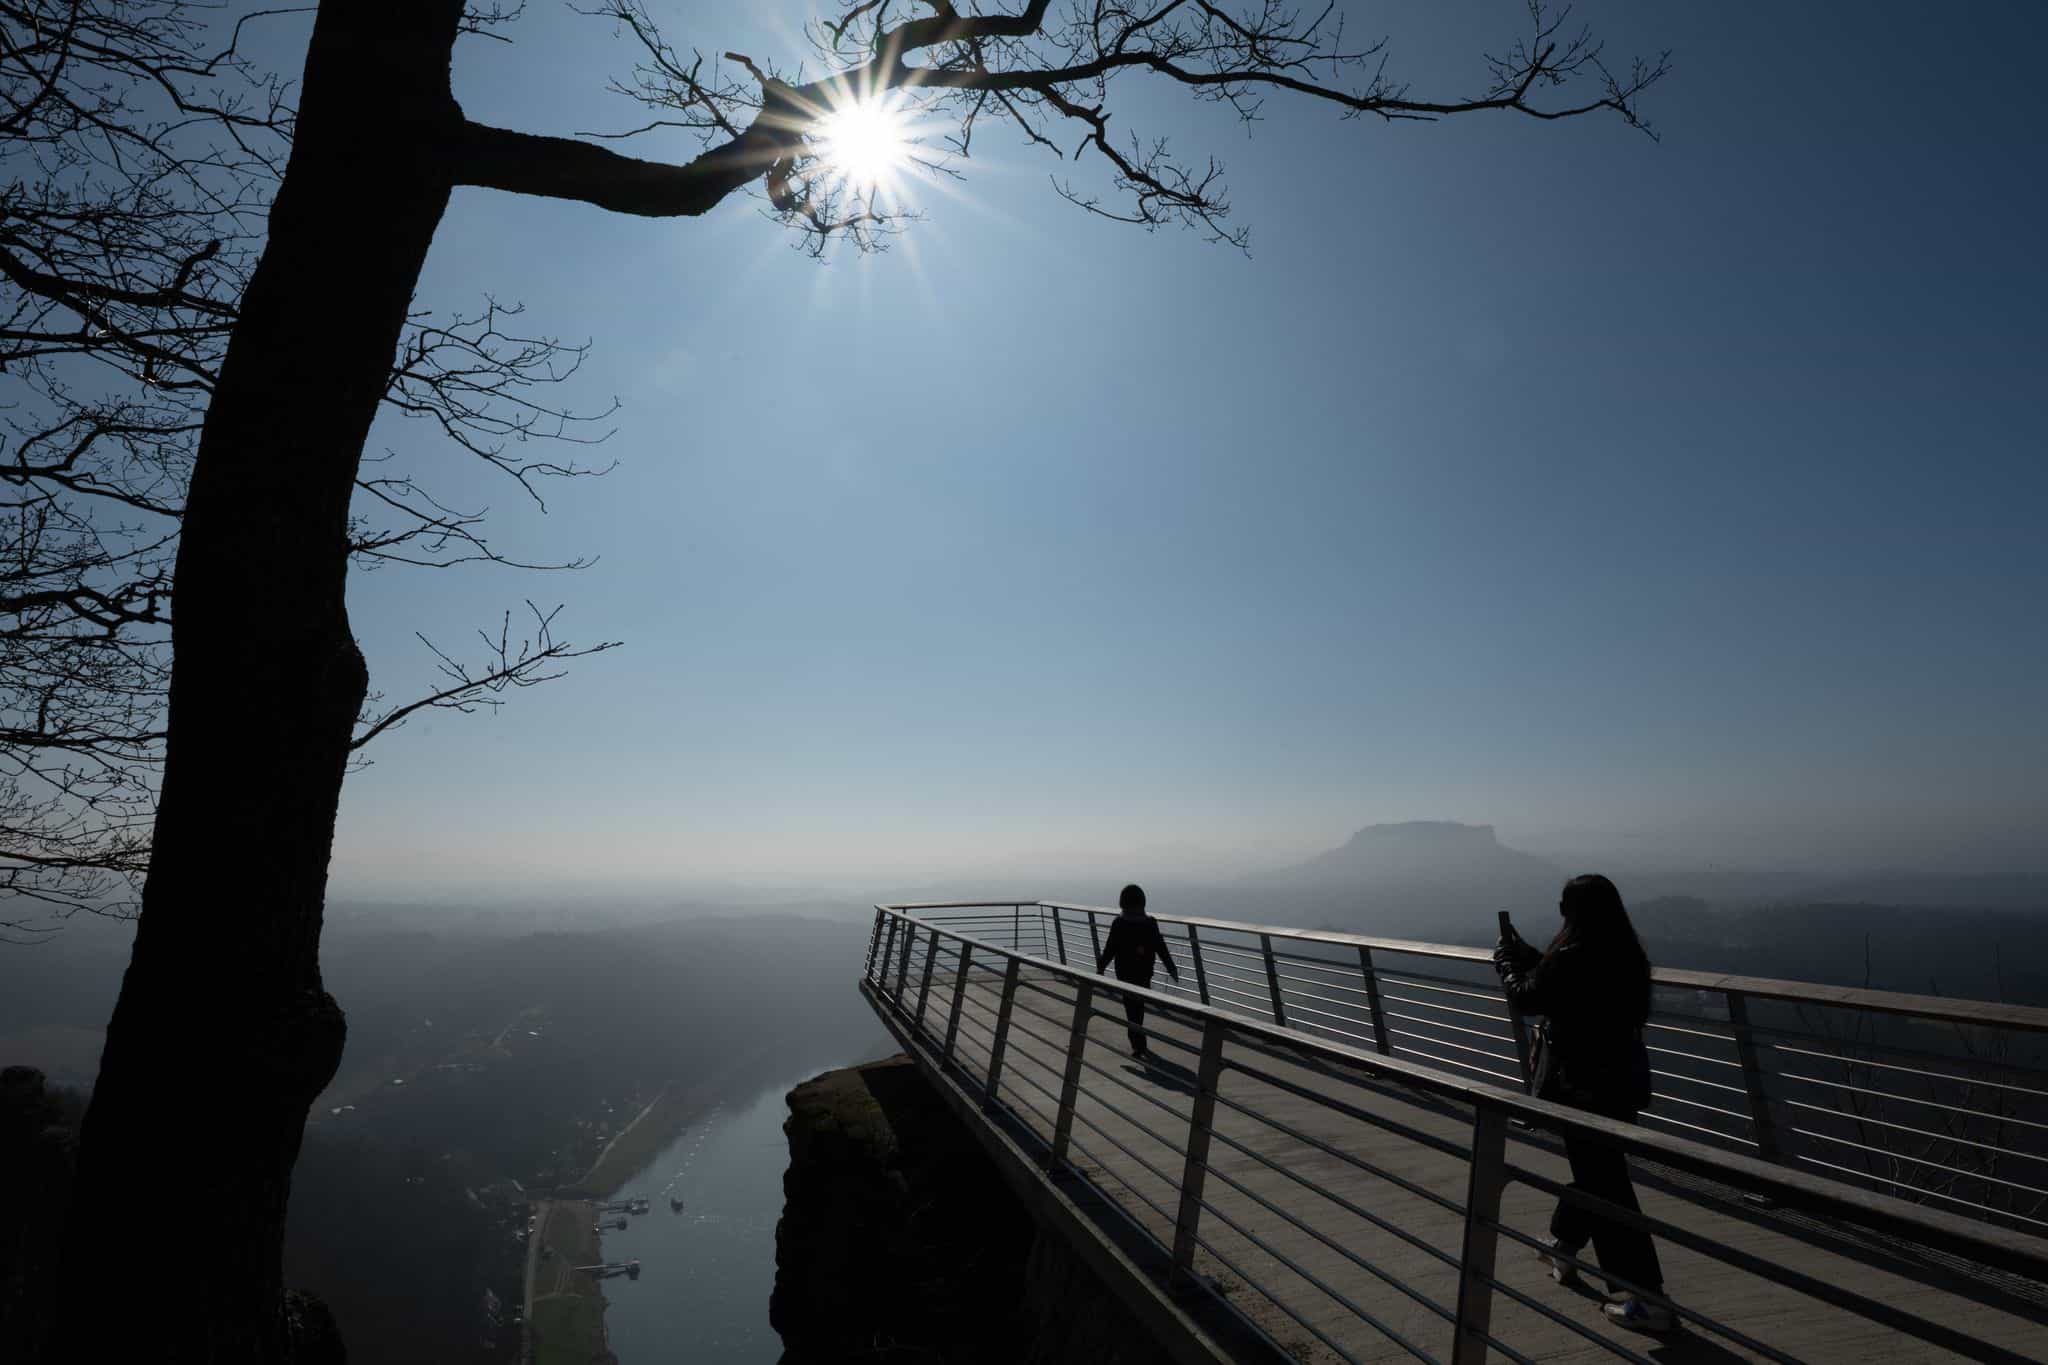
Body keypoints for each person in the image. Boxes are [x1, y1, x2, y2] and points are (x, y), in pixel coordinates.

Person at [1494, 874, 1673, 1334]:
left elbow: (1528, 998)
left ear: (1573, 912)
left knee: (1607, 1184)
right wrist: (1534, 958)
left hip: (1578, 1085)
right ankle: (1561, 1242)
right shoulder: (1628, 955)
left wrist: (1507, 966)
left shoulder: (1573, 958)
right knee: (1600, 1172)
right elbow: (1567, 985)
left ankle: (1644, 1296)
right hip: (1619, 1083)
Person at [1096, 884, 1179, 1058]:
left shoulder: (1119, 923)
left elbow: (1110, 948)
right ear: (1142, 902)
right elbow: (1160, 947)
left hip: (1125, 973)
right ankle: (1139, 1042)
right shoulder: (1150, 923)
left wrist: (1101, 967)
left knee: (1131, 1009)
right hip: (1144, 972)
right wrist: (1171, 968)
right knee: (1139, 1007)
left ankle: (1137, 1043)